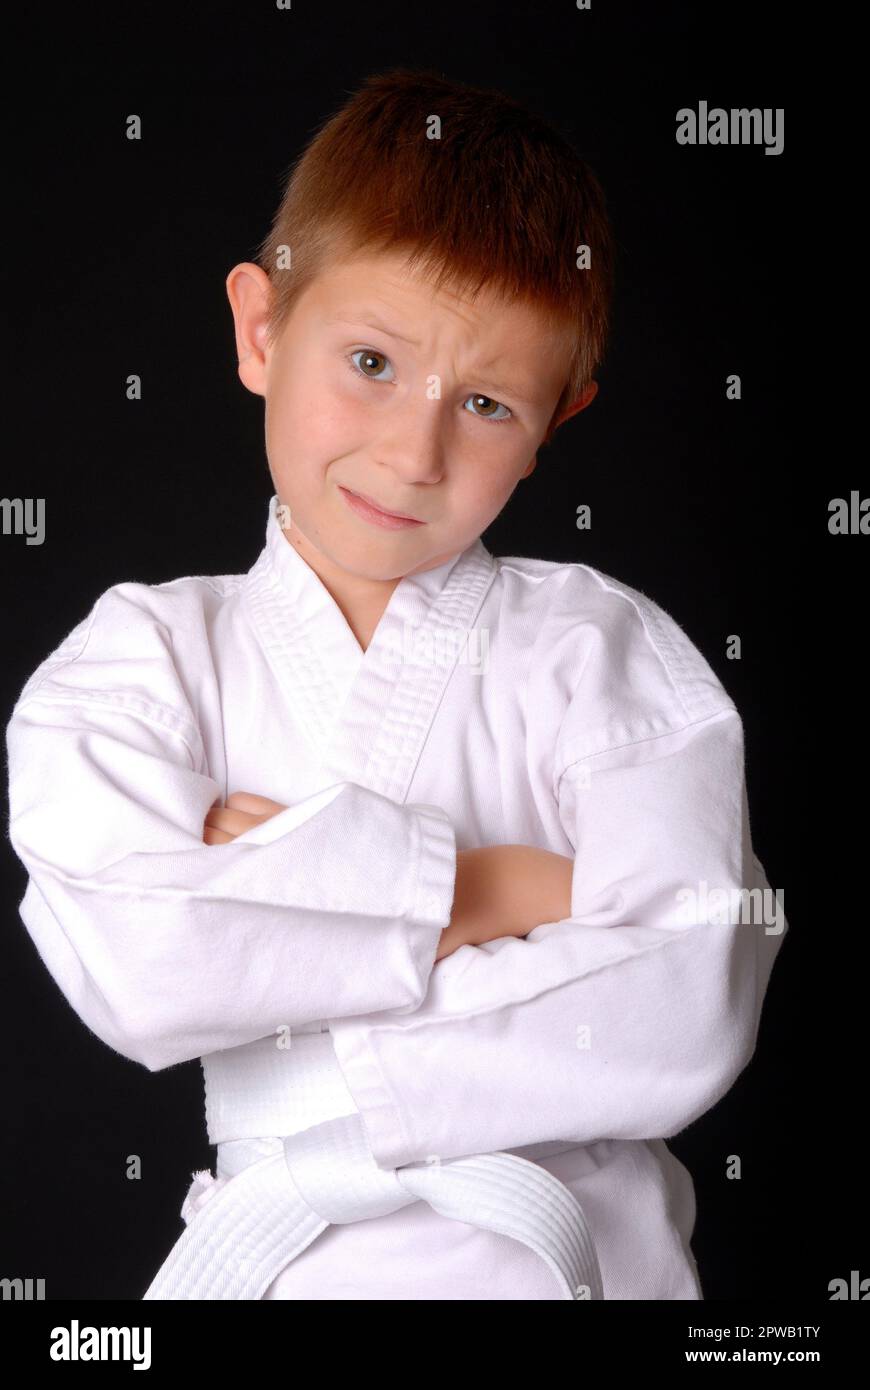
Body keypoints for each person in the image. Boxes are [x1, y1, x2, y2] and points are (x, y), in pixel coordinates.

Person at [4, 66, 787, 1300]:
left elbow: (690, 992)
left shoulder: (602, 651)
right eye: (370, 359)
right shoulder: (139, 660)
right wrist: (499, 889)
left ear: (555, 421)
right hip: (272, 1267)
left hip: (563, 1259)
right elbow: (142, 962)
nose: (412, 451)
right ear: (263, 329)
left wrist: (300, 918)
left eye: (484, 403)